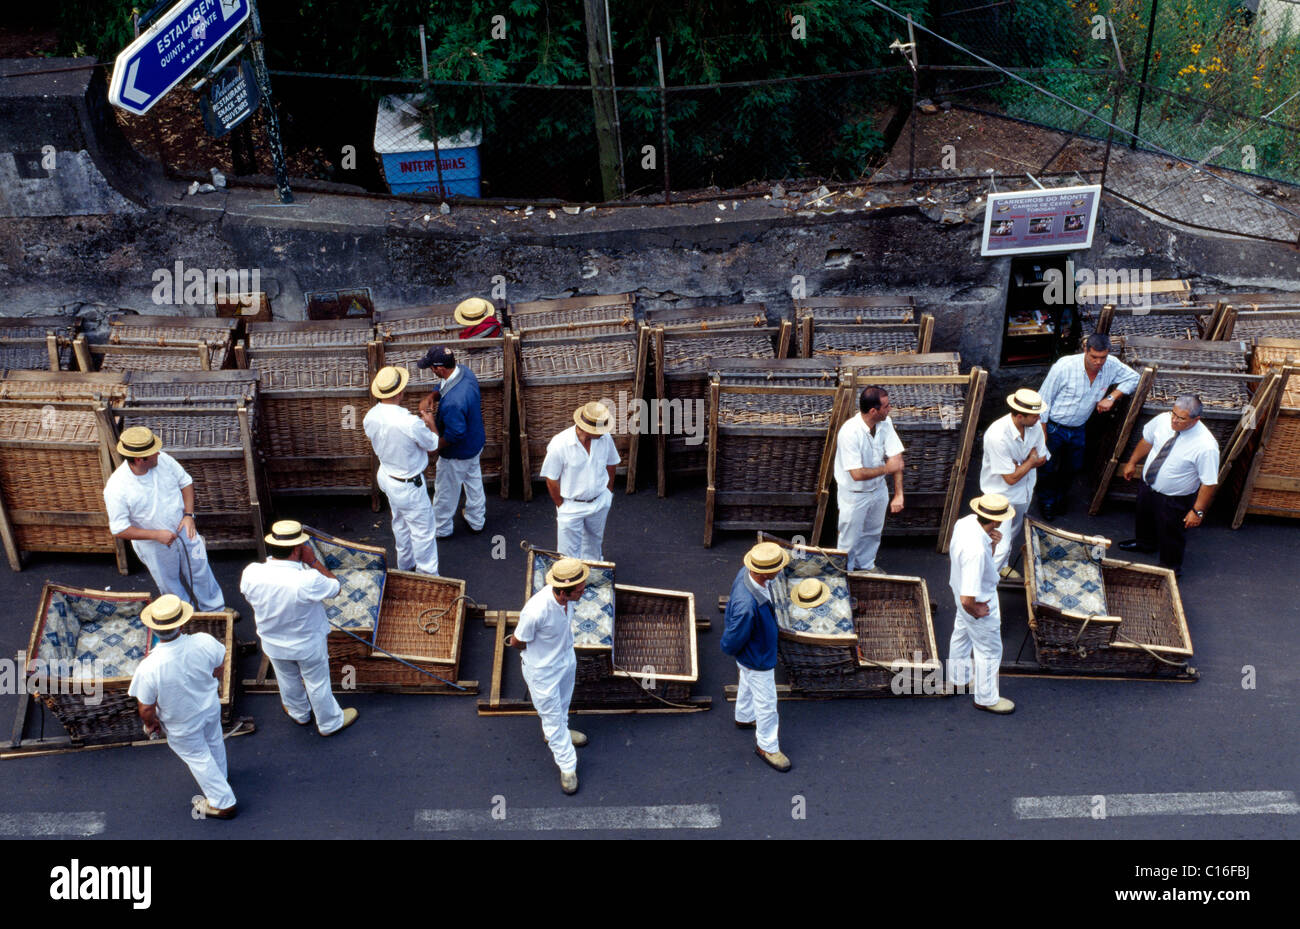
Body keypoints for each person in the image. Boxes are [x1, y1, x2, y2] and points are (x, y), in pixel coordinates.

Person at [240, 520, 358, 736]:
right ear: (297, 550)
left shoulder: (251, 572)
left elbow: (249, 596)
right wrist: (313, 561)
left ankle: (299, 713)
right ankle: (329, 723)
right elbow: (336, 587)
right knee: (317, 683)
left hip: (272, 642)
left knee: (286, 678)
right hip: (307, 645)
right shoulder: (308, 579)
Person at [128, 594, 236, 819]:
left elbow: (146, 708)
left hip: (181, 721)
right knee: (214, 741)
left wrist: (151, 725)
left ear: (155, 631)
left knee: (198, 757)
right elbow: (219, 665)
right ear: (181, 623)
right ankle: (220, 777)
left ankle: (223, 801)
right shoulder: (204, 641)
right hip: (209, 706)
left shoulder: (149, 667)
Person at [103, 425, 229, 615]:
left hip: (185, 529)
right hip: (154, 545)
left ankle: (216, 611)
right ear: (139, 459)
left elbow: (185, 482)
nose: (159, 454)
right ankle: (187, 620)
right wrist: (156, 535)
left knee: (200, 570)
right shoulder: (116, 487)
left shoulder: (164, 460)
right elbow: (119, 529)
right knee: (170, 584)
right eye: (154, 453)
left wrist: (188, 516)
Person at [506, 557, 589, 795]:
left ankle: (559, 732)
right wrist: (541, 656)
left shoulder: (568, 599)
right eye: (580, 590)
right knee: (551, 719)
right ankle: (567, 766)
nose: (584, 592)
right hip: (543, 673)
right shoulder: (535, 611)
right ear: (563, 592)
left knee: (562, 705)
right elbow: (517, 641)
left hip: (565, 660)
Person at [1036, 333, 1140, 519]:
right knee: (1048, 466)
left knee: (1073, 467)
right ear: (1085, 350)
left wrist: (1111, 397)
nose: (1099, 362)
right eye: (1094, 357)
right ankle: (1046, 501)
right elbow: (1044, 399)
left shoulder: (1111, 365)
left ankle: (1060, 497)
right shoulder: (1064, 367)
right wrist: (1042, 432)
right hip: (1054, 426)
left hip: (1078, 427)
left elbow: (1134, 378)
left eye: (1103, 357)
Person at [1119, 395, 1219, 578]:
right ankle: (1145, 544)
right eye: (1174, 414)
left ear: (1196, 420)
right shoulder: (1163, 420)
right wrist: (1132, 462)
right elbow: (1147, 441)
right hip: (1148, 485)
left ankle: (1170, 568)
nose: (1174, 420)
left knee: (1171, 533)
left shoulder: (1206, 446)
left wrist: (1197, 512)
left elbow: (1209, 482)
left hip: (1175, 498)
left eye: (1181, 418)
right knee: (1144, 517)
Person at [720, 541, 792, 772]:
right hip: (758, 657)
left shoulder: (746, 572)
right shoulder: (747, 606)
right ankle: (767, 746)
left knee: (747, 682)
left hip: (751, 655)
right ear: (764, 572)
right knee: (767, 703)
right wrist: (741, 652)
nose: (781, 570)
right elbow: (732, 638)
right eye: (777, 568)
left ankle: (743, 716)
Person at [363, 365, 440, 575]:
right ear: (399, 392)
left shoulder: (370, 416)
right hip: (409, 484)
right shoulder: (410, 422)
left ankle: (405, 567)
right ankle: (428, 577)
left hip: (388, 477)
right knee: (423, 533)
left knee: (400, 524)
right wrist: (431, 422)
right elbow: (432, 445)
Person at [946, 494, 1016, 714]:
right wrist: (976, 609)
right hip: (978, 600)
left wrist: (992, 544)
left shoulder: (965, 523)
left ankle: (958, 679)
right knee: (989, 650)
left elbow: (985, 561)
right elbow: (969, 598)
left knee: (961, 634)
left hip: (958, 589)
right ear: (996, 521)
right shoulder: (975, 551)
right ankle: (986, 698)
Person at [979, 388, 1050, 579]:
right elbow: (1010, 479)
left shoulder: (1034, 427)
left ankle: (1001, 567)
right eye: (1035, 416)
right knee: (999, 542)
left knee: (1012, 532)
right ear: (1020, 416)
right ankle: (984, 584)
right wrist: (1030, 461)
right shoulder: (997, 435)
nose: (1039, 419)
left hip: (1024, 492)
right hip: (1000, 496)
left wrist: (1022, 465)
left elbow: (1042, 457)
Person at [416, 345, 486, 538]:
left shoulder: (454, 403)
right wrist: (431, 396)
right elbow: (444, 387)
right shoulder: (465, 372)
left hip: (457, 454)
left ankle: (441, 528)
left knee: (445, 492)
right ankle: (476, 520)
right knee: (473, 482)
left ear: (439, 369)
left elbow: (455, 435)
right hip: (475, 443)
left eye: (431, 367)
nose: (431, 370)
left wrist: (433, 434)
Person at [833, 386, 905, 572]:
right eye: (886, 406)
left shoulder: (885, 423)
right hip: (854, 495)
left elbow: (896, 458)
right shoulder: (849, 432)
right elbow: (856, 474)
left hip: (878, 490)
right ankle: (844, 576)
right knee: (849, 540)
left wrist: (898, 494)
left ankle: (865, 567)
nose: (890, 409)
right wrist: (886, 469)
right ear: (874, 411)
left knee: (873, 533)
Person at [540, 401, 620, 561]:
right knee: (567, 556)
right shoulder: (559, 444)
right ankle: (570, 584)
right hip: (571, 506)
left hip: (599, 502)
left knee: (594, 548)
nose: (605, 432)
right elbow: (551, 478)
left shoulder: (605, 438)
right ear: (586, 429)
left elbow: (612, 463)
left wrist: (608, 493)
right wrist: (561, 505)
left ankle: (592, 578)